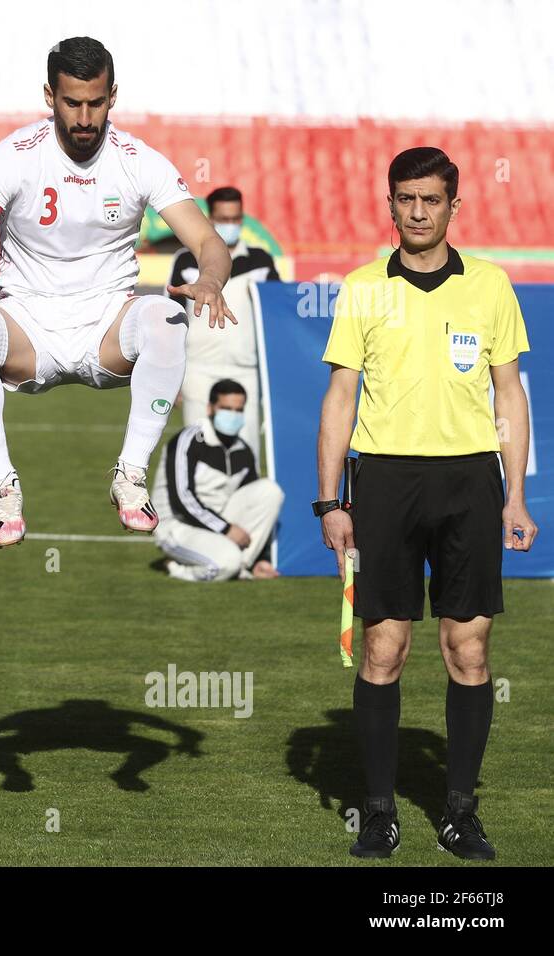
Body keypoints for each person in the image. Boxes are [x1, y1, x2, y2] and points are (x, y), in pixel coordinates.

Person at [317, 146, 537, 861]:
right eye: (405, 199)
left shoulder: (492, 286)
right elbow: (340, 397)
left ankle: (460, 812)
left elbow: (509, 394)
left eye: (431, 200)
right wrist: (331, 502)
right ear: (391, 204)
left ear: (453, 205)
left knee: (468, 649)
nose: (417, 211)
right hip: (383, 482)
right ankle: (379, 813)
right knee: (384, 648)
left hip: (471, 482)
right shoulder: (360, 290)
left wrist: (516, 496)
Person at [0, 36, 235, 547]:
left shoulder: (138, 160)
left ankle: (130, 477)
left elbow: (208, 240)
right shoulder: (13, 157)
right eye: (72, 102)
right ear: (49, 96)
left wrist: (210, 278)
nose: (84, 117)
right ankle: (3, 490)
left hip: (107, 326)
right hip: (28, 326)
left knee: (167, 317)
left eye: (95, 102)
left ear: (112, 96)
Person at [167, 186, 279, 454]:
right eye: (223, 219)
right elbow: (171, 320)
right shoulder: (185, 261)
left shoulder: (261, 262)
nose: (230, 225)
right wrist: (172, 376)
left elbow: (274, 321)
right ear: (209, 219)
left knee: (247, 453)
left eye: (235, 219)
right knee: (198, 453)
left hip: (246, 370)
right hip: (198, 370)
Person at [151, 379, 282, 581]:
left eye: (239, 410)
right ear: (210, 408)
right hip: (178, 526)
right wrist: (226, 528)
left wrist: (262, 558)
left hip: (217, 523)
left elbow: (251, 503)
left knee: (269, 491)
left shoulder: (243, 450)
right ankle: (178, 569)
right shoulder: (189, 441)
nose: (233, 415)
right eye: (226, 408)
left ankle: (246, 564)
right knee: (225, 562)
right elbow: (182, 499)